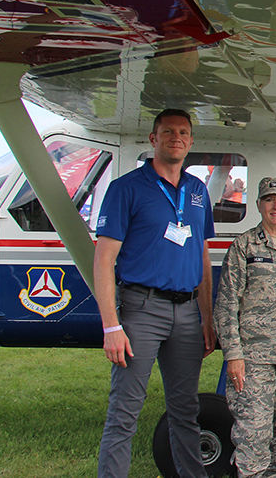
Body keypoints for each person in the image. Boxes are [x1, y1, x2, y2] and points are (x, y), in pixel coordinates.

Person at [93, 108, 216, 478]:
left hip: (186, 313)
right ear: (153, 139)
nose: (175, 138)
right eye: (167, 132)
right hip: (141, 310)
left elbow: (202, 256)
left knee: (185, 411)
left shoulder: (197, 191)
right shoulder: (126, 189)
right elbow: (103, 259)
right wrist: (111, 326)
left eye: (182, 132)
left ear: (191, 142)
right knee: (125, 411)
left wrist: (206, 318)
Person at [214, 177, 276, 477]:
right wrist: (233, 354)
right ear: (258, 204)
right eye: (269, 199)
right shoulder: (244, 246)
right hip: (253, 359)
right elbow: (227, 303)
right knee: (252, 435)